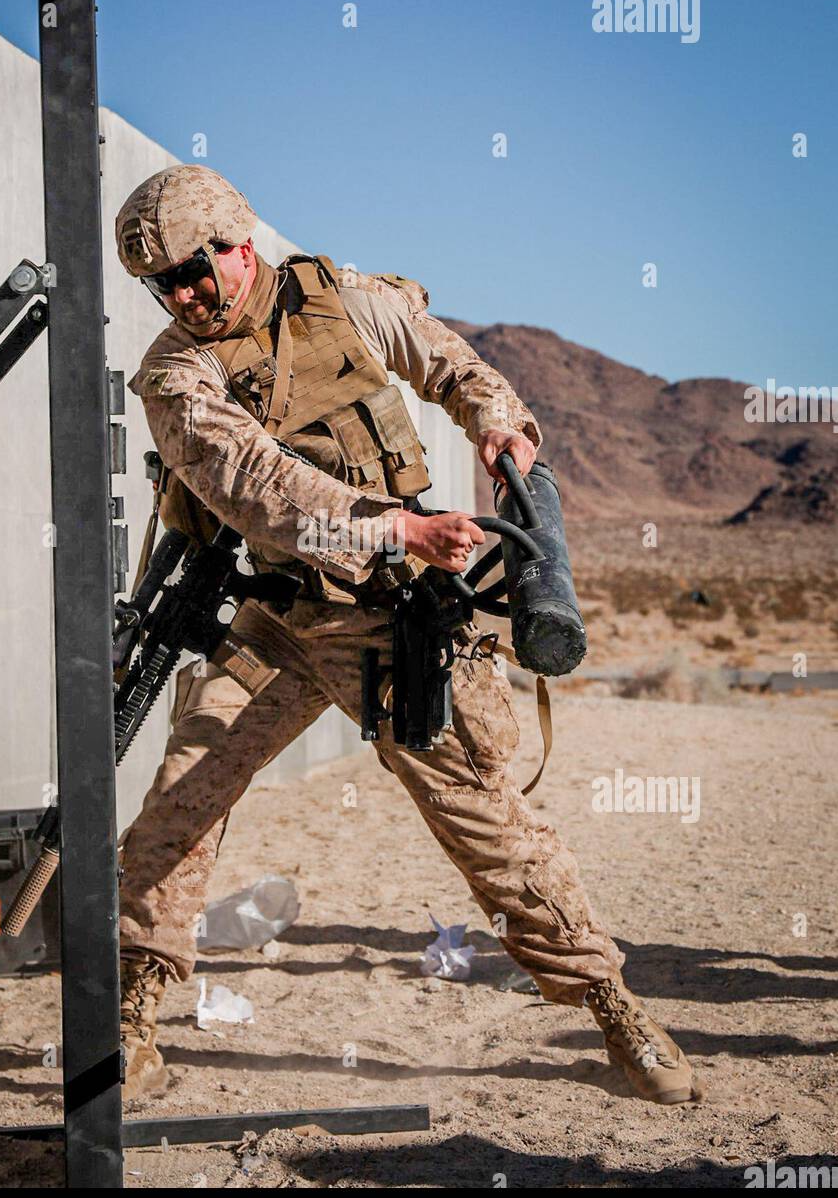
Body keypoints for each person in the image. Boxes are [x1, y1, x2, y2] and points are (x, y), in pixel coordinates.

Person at [113, 164, 698, 1108]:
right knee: (183, 799)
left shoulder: (344, 299)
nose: (181, 296)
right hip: (278, 616)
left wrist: (500, 426)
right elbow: (258, 486)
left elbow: (451, 363)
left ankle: (609, 1001)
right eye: (162, 286)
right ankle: (135, 1007)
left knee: (486, 823)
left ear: (238, 244)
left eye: (192, 272)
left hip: (390, 618)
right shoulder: (177, 374)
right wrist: (397, 525)